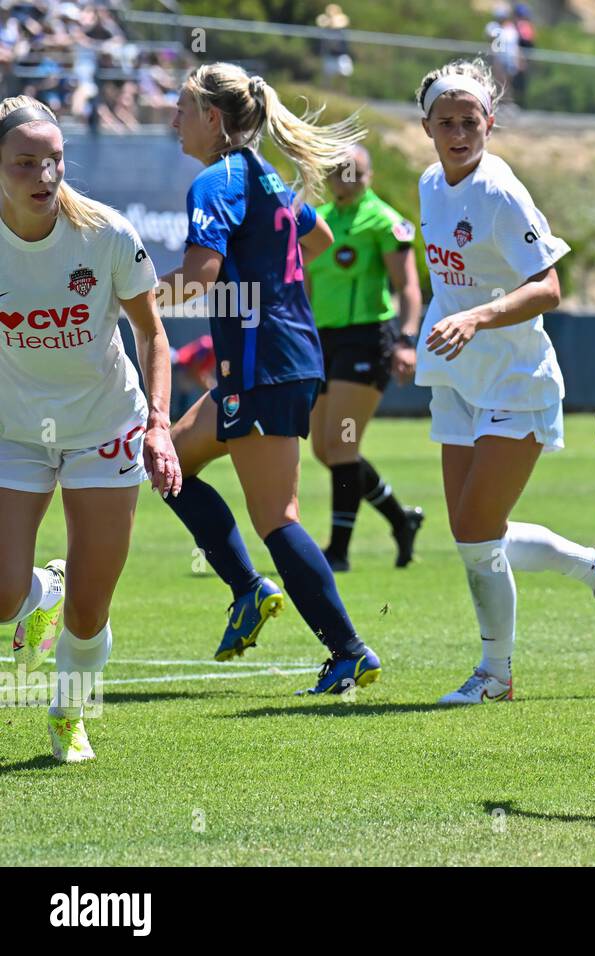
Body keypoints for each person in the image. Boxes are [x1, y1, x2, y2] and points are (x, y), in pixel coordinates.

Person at [415, 58, 595, 706]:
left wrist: (477, 317)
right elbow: (447, 279)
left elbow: (549, 287)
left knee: (481, 532)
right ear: (426, 125)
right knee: (471, 533)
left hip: (514, 378)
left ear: (488, 122)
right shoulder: (430, 183)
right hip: (455, 374)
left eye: (470, 121)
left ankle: (495, 674)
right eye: (446, 122)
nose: (459, 133)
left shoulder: (500, 192)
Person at [157, 62, 382, 695]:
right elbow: (319, 238)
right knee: (167, 462)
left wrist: (133, 300)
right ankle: (250, 590)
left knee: (277, 517)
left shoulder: (216, 180)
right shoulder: (265, 177)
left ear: (212, 117)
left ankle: (347, 650)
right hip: (266, 363)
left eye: (182, 107)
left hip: (263, 367)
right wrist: (268, 287)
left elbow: (200, 275)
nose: (173, 118)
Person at [0, 95, 182, 762]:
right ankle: (39, 590)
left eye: (54, 161)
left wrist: (159, 427)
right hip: (13, 431)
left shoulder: (105, 233)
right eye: (25, 163)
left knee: (90, 608)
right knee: (3, 596)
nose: (44, 176)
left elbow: (152, 335)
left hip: (105, 426)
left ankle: (68, 713)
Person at [305, 144, 424, 572]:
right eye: (337, 170)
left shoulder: (384, 221)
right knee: (325, 448)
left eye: (353, 171)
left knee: (342, 443)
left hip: (366, 339)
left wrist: (407, 339)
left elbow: (407, 286)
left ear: (369, 175)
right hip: (322, 342)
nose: (344, 177)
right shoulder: (319, 222)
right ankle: (400, 518)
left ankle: (337, 552)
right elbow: (308, 289)